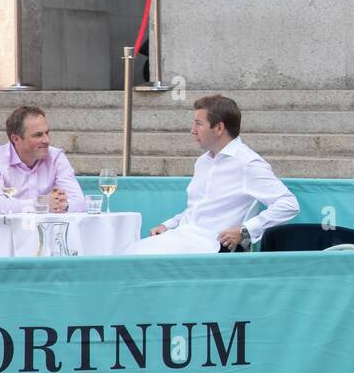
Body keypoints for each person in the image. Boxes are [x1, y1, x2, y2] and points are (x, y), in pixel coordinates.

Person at [125, 94, 298, 255]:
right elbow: (199, 207)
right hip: (184, 238)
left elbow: (288, 204)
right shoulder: (203, 162)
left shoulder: (247, 163)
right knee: (129, 251)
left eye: (198, 124)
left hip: (210, 245)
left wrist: (245, 231)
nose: (192, 130)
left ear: (219, 128)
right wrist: (168, 224)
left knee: (135, 256)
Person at [0, 106, 85, 237]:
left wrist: (62, 205)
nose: (46, 140)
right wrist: (41, 205)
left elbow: (80, 202)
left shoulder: (56, 157)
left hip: (44, 237)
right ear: (16, 139)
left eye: (47, 133)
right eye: (38, 135)